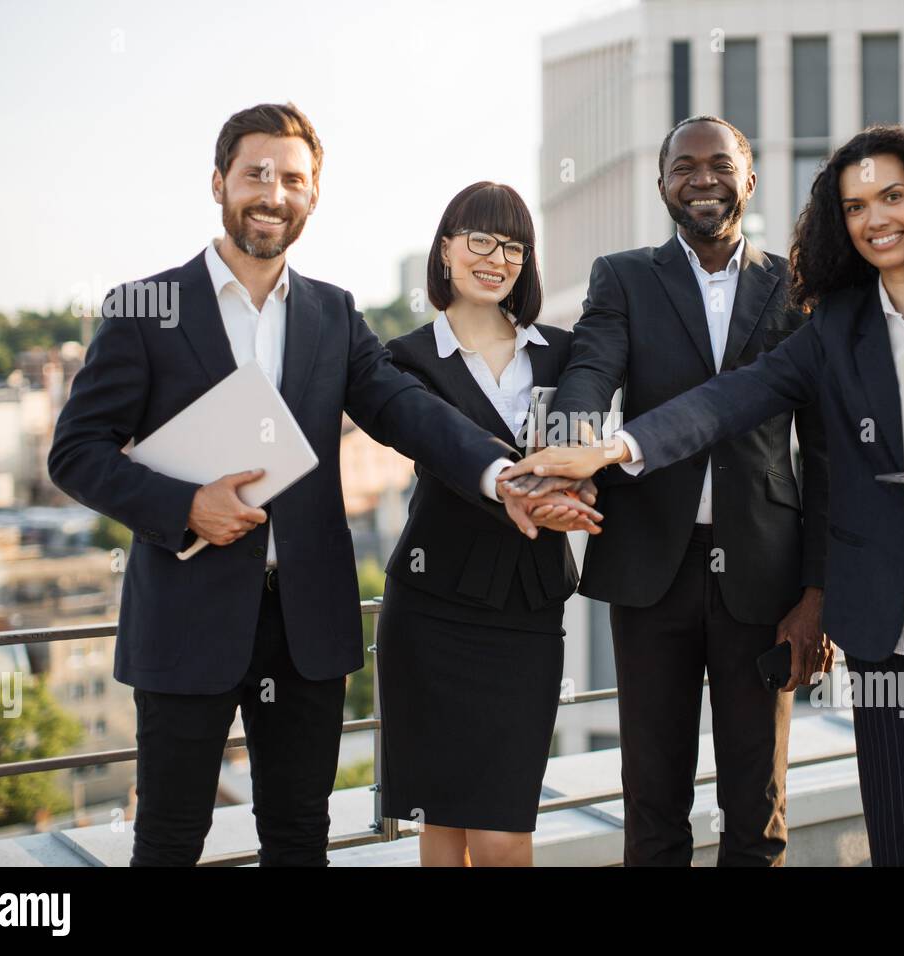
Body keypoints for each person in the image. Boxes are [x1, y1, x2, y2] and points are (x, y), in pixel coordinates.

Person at [502, 125, 904, 866]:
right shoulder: (836, 324)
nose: (875, 218)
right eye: (855, 206)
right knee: (903, 848)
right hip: (886, 635)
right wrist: (610, 448)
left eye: (892, 197)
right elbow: (727, 399)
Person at [47, 103, 597, 867]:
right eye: (257, 174)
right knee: (170, 840)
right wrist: (184, 508)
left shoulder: (333, 314)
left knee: (301, 839)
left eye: (294, 180)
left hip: (306, 623)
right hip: (186, 617)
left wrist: (501, 476)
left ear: (312, 198)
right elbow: (75, 452)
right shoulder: (147, 308)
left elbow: (407, 410)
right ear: (219, 183)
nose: (274, 193)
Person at [506, 116, 830, 867]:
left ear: (749, 180)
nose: (703, 179)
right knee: (653, 798)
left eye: (721, 164)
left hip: (767, 573)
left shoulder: (797, 286)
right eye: (684, 168)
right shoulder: (623, 277)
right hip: (652, 564)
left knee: (757, 801)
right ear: (662, 186)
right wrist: (575, 441)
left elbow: (824, 451)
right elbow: (591, 366)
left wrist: (819, 590)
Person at [376, 182, 596, 867]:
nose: (496, 257)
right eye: (479, 240)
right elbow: (434, 451)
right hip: (431, 606)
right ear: (445, 250)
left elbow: (589, 450)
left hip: (526, 613)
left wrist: (579, 486)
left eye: (512, 246)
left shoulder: (563, 353)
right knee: (442, 828)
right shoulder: (404, 359)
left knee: (503, 837)